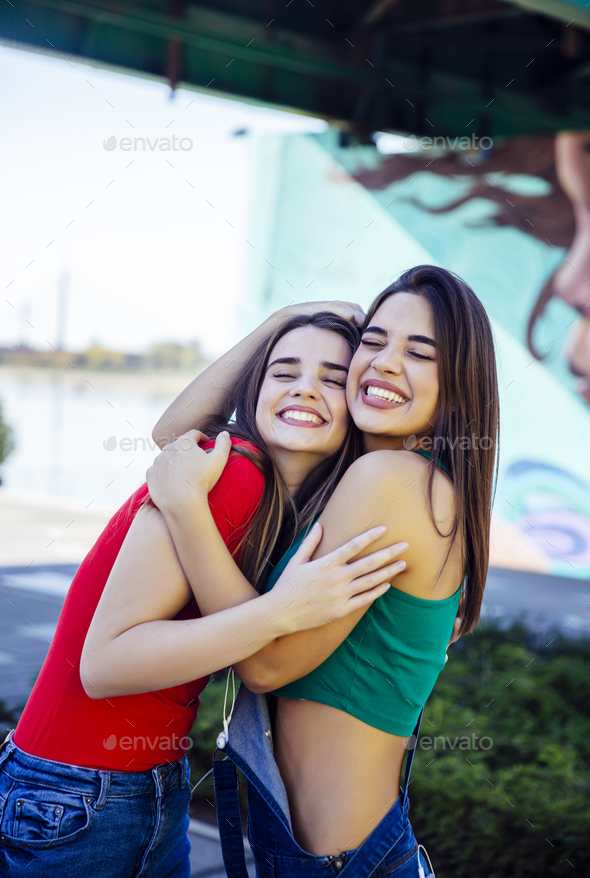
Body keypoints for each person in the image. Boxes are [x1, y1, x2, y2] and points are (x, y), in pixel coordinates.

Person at [0, 312, 408, 878]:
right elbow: (104, 665)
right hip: (85, 791)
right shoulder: (233, 475)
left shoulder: (278, 502)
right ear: (254, 392)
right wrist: (282, 609)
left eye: (333, 379)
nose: (304, 388)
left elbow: (168, 434)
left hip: (116, 785)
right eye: (281, 372)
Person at [147, 264, 498, 876]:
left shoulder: (392, 482)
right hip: (341, 854)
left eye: (419, 353)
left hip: (343, 862)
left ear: (459, 387)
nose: (385, 363)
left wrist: (185, 512)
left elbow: (262, 662)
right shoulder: (370, 475)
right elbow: (178, 437)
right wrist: (285, 322)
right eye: (374, 340)